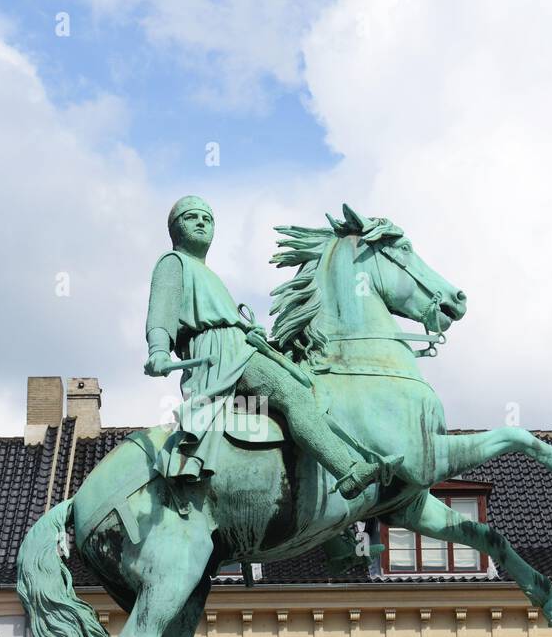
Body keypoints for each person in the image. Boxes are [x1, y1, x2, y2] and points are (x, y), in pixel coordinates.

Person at [144, 195, 393, 499]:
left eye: (207, 219)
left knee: (308, 381)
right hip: (219, 355)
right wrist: (158, 350)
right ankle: (348, 471)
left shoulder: (209, 274)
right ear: (175, 228)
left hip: (240, 346)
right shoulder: (174, 263)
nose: (201, 223)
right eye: (191, 217)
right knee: (293, 395)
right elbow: (161, 314)